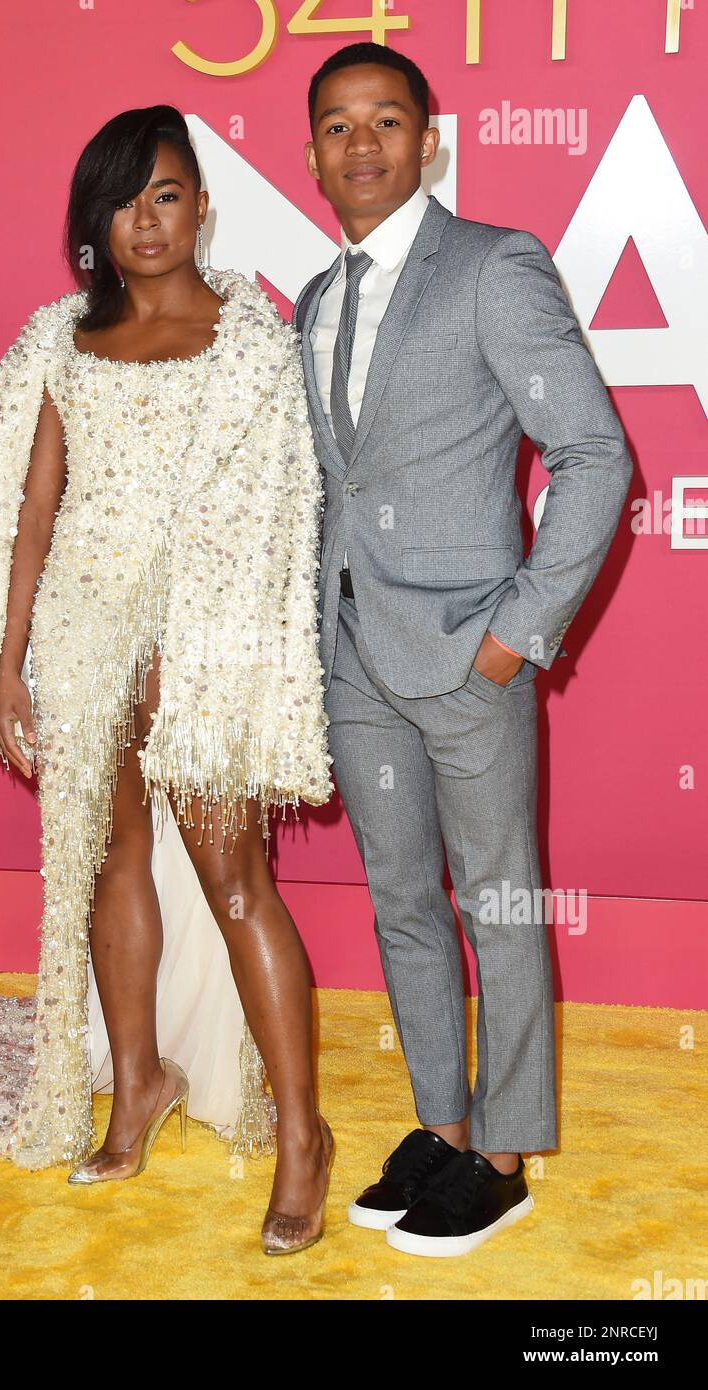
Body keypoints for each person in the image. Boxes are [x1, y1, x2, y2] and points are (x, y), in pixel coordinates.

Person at [0, 105, 336, 1256]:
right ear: (93, 228)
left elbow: (275, 519)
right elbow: (28, 517)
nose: (146, 221)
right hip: (79, 632)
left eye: (166, 194)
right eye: (121, 203)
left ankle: (306, 1137)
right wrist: (5, 661)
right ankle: (136, 1084)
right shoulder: (57, 343)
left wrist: (195, 640)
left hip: (209, 639)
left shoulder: (250, 337)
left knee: (233, 876)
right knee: (107, 861)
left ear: (201, 205)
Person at [292, 44, 632, 1256]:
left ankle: (507, 1148)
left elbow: (595, 456)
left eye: (388, 120)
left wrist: (516, 635)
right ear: (315, 151)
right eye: (338, 125)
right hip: (358, 660)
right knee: (402, 905)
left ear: (428, 139)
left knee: (498, 899)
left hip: (468, 653)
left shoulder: (495, 266)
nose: (363, 143)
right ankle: (442, 1123)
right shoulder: (316, 300)